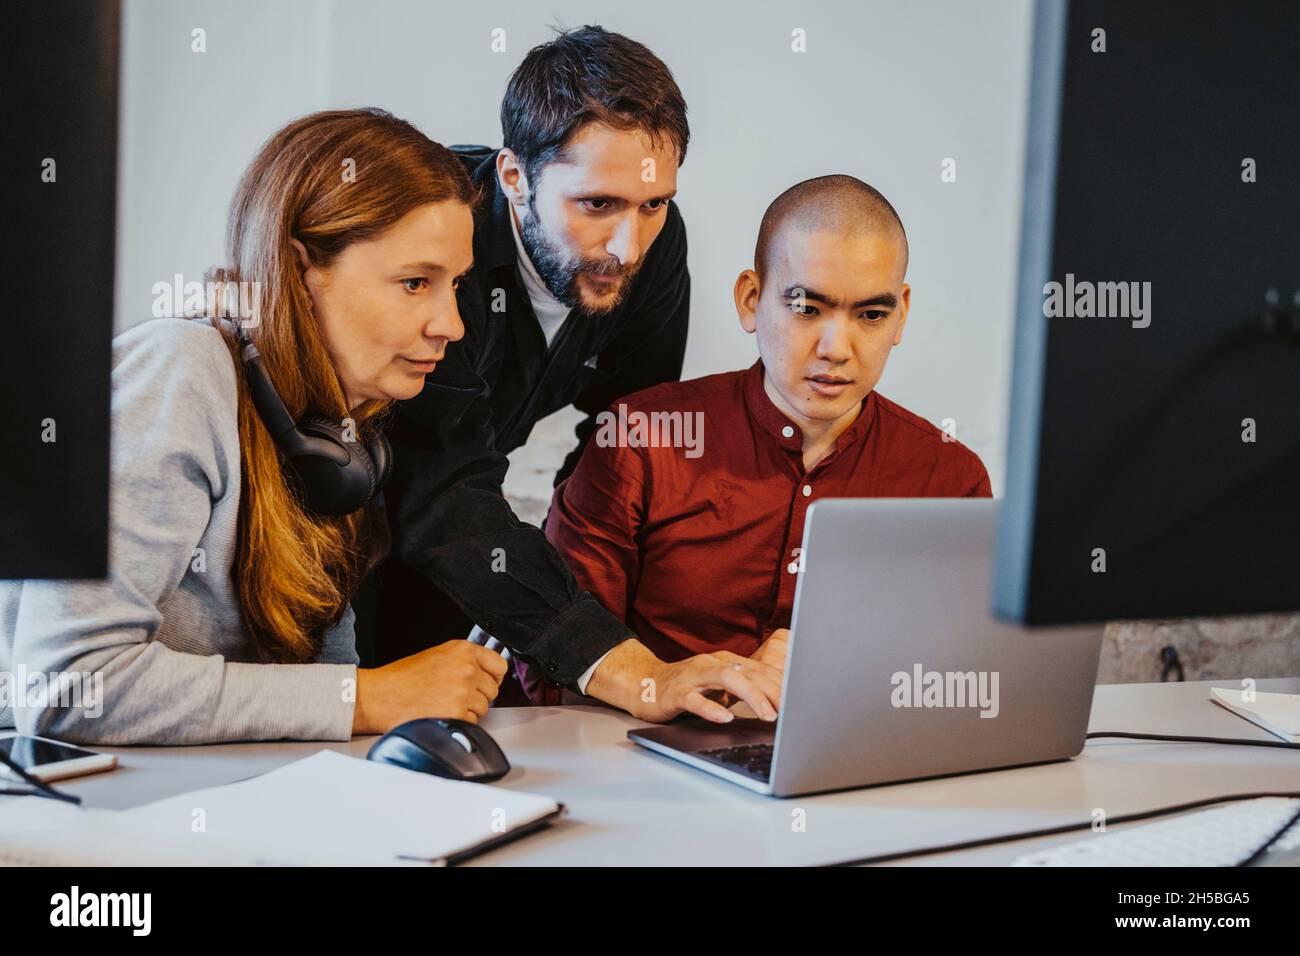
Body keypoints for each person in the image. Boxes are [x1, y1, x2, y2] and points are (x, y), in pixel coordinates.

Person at [0, 108, 509, 744]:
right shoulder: (180, 371)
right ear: (300, 272)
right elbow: (69, 687)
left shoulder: (333, 441)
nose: (452, 325)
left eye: (456, 284)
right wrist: (368, 697)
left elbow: (313, 695)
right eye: (414, 282)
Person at [371, 27, 785, 724]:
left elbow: (625, 440)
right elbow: (440, 493)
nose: (628, 248)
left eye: (652, 204)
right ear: (513, 178)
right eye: (597, 205)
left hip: (462, 512)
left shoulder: (653, 243)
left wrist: (589, 620)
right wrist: (624, 669)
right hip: (355, 519)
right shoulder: (437, 238)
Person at [520, 175, 992, 703]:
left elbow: (960, 682)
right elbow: (555, 664)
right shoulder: (640, 439)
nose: (837, 348)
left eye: (872, 315)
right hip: (644, 758)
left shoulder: (949, 477)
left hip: (856, 770)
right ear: (750, 298)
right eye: (807, 308)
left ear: (900, 314)